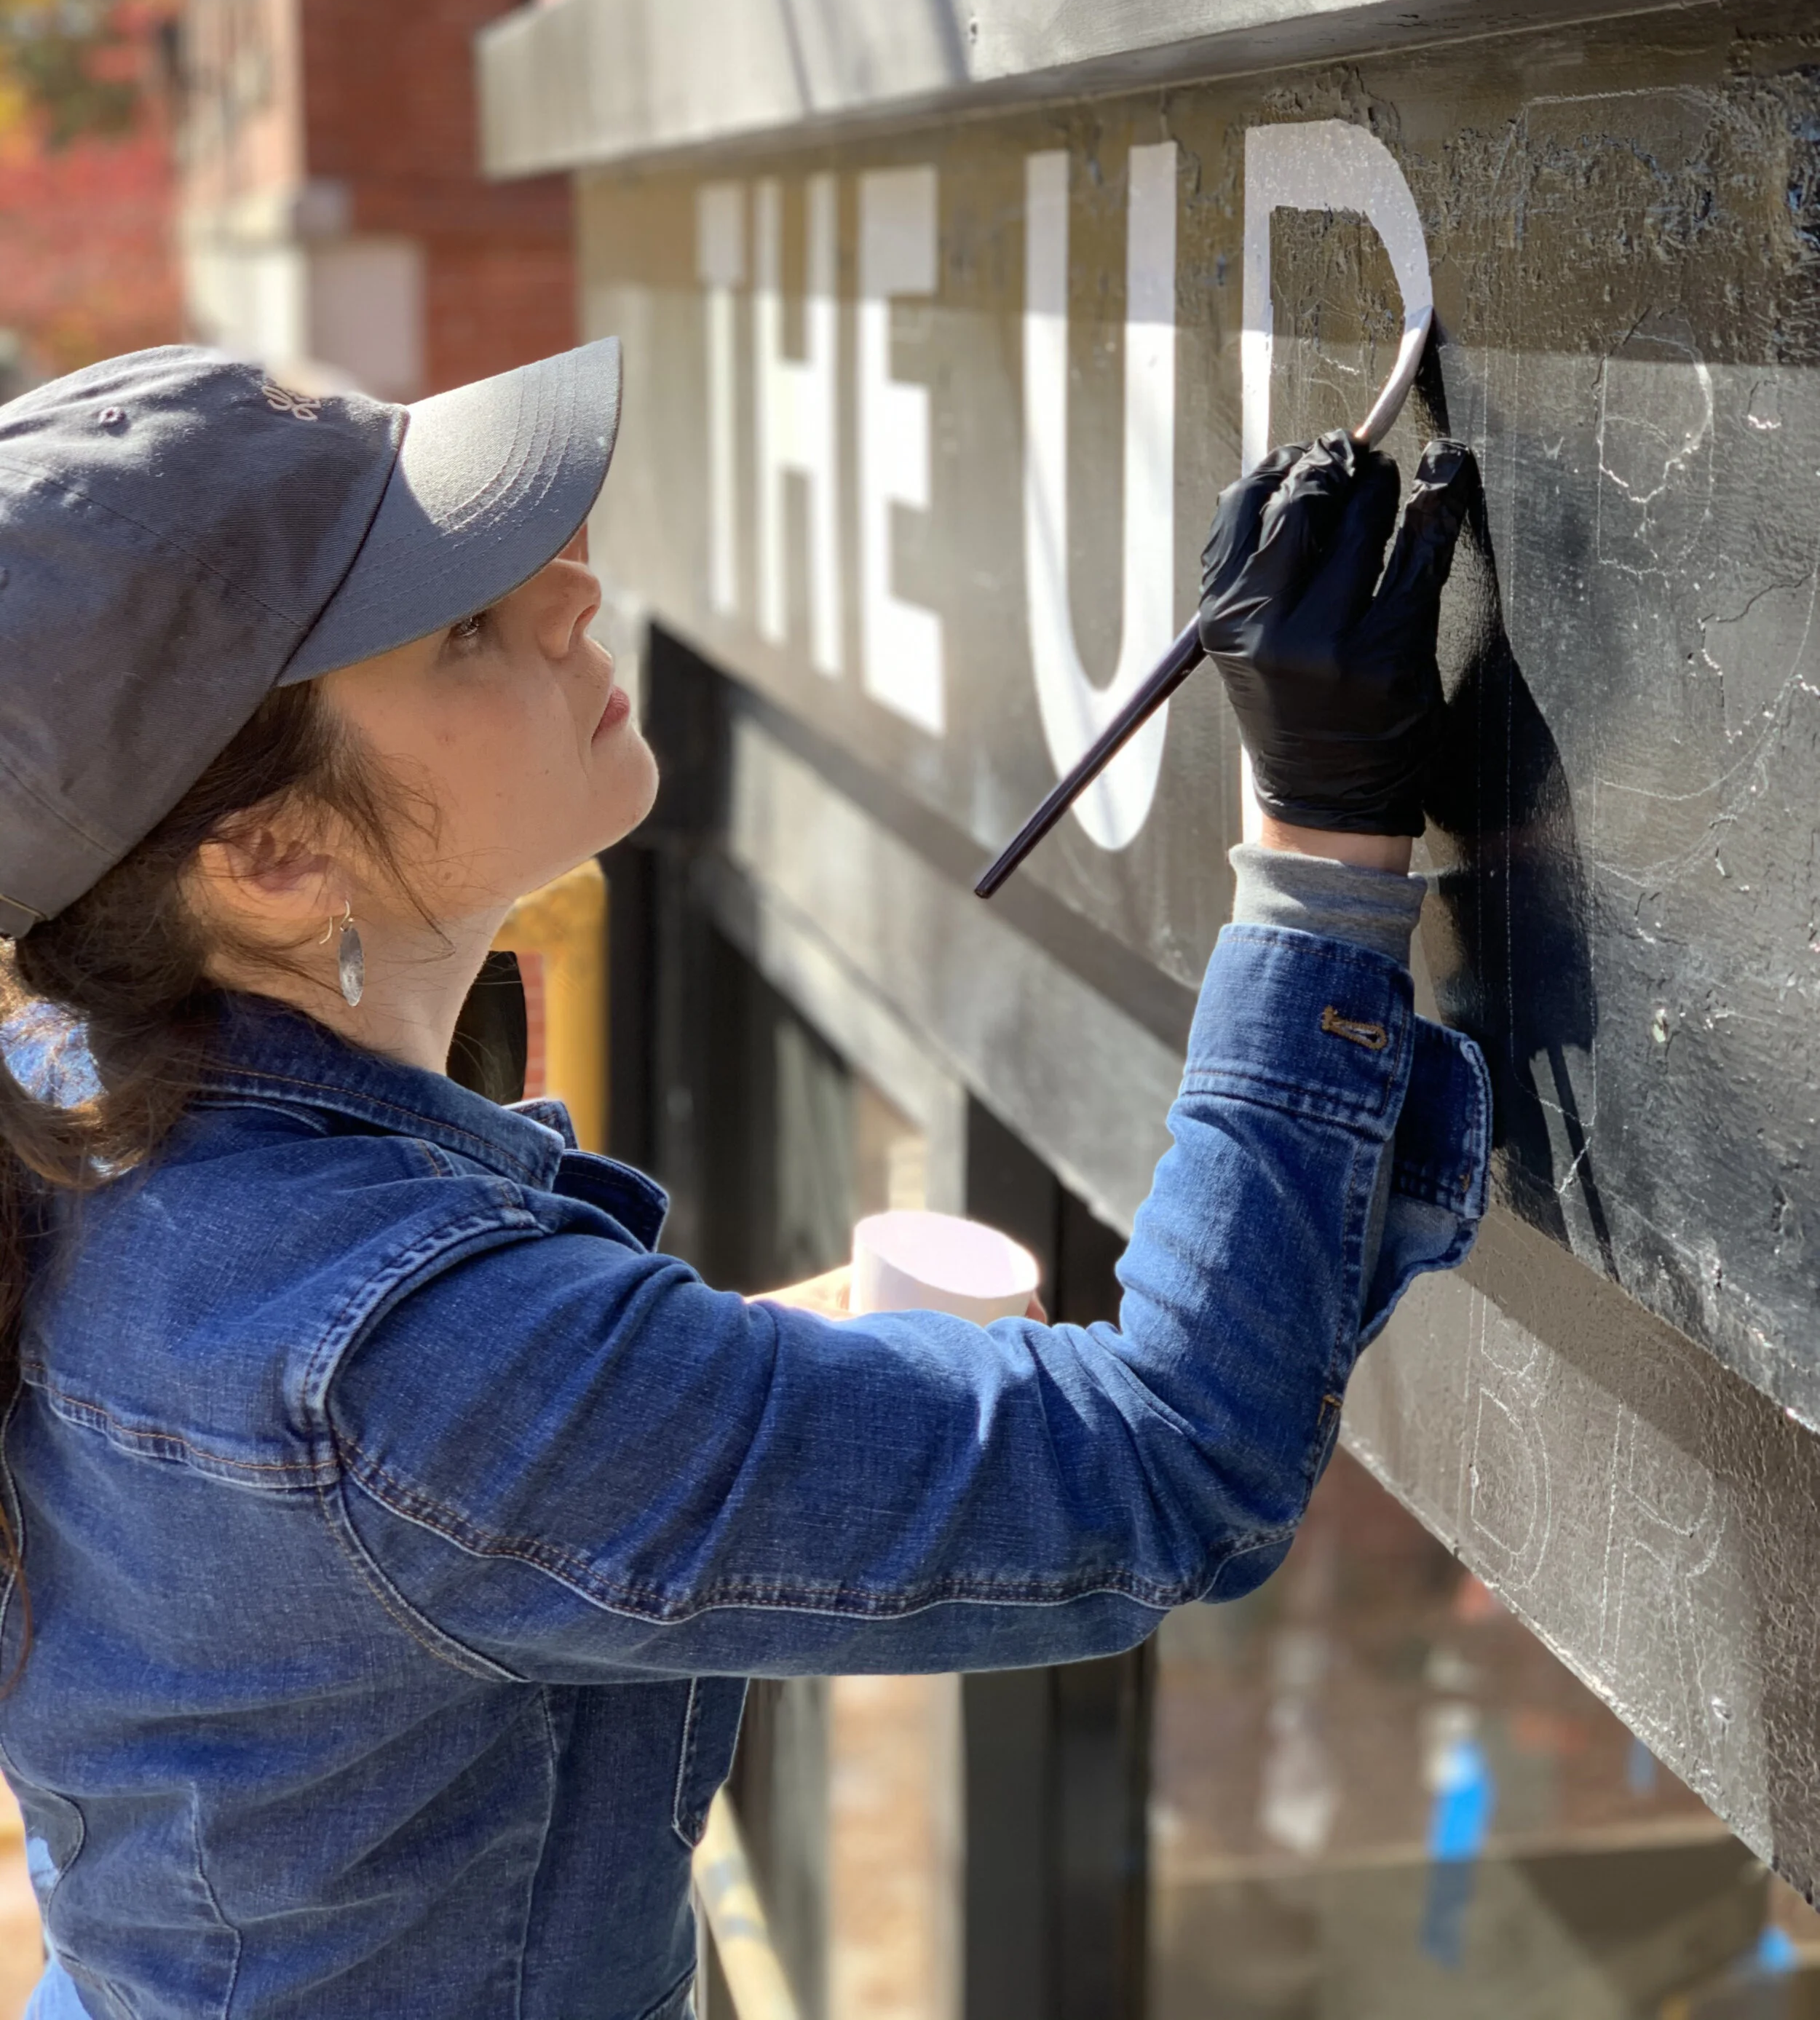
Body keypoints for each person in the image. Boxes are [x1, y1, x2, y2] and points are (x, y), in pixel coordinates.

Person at [0, 339, 1487, 2019]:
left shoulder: (72, 1098)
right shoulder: (398, 1361)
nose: (566, 587)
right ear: (271, 857)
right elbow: (1169, 1464)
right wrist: (1321, 841)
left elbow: (375, 1510)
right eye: (461, 625)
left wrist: (770, 1362)